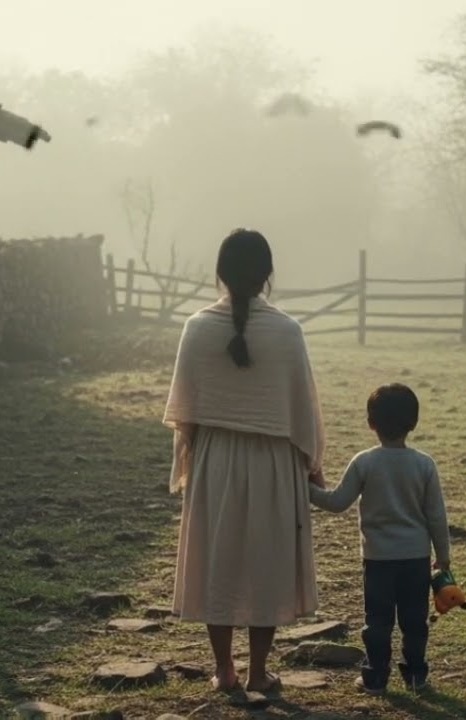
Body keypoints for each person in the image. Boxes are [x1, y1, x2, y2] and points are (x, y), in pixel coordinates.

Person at [162, 228, 325, 694]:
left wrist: (188, 464)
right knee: (266, 565)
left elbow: (185, 415)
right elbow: (303, 412)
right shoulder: (287, 332)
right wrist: (313, 464)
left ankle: (224, 670)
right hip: (273, 463)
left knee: (220, 562)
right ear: (267, 275)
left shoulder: (196, 328)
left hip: (216, 461)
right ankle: (257, 671)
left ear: (220, 273)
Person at [308, 383, 451, 695]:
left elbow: (336, 502)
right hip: (416, 559)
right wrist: (443, 555)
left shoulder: (365, 462)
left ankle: (375, 677)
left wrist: (305, 489)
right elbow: (437, 517)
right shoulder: (424, 464)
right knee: (414, 621)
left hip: (377, 560)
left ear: (371, 422)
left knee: (377, 621)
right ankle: (416, 674)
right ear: (413, 423)